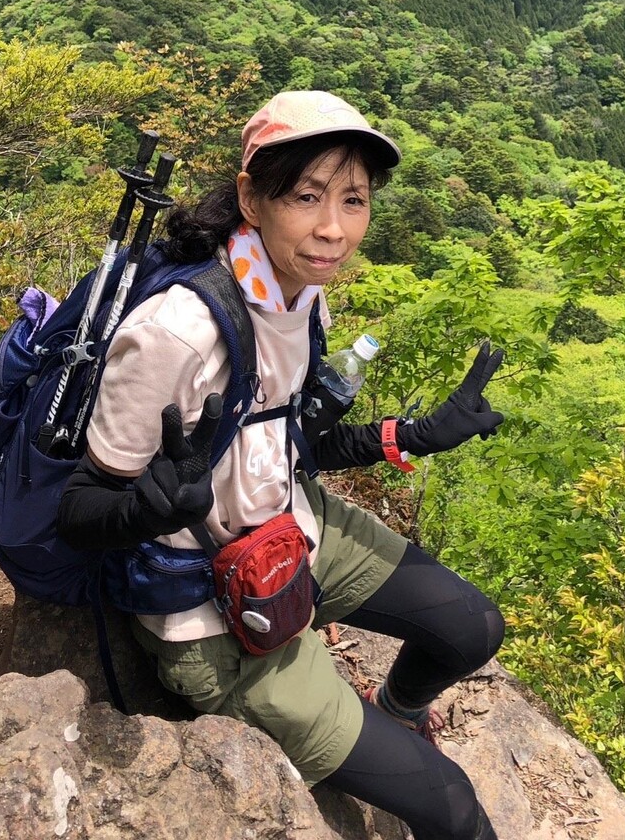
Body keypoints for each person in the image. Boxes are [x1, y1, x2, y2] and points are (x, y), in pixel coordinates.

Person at [58, 90, 505, 840]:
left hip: (286, 529)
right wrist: (146, 510)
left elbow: (290, 443)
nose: (333, 228)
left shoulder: (299, 297)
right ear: (250, 198)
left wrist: (411, 435)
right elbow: (79, 510)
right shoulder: (176, 333)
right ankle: (368, 739)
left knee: (472, 626)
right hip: (204, 599)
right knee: (452, 804)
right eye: (305, 196)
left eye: (353, 199)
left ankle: (391, 717)